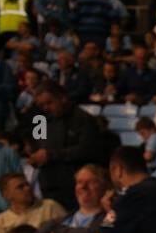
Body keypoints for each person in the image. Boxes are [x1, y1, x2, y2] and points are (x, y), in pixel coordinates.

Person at [25, 81, 108, 212]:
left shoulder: (84, 119)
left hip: (72, 188)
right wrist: (34, 157)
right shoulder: (40, 120)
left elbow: (87, 150)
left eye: (49, 103)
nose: (45, 108)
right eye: (42, 105)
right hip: (48, 186)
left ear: (63, 98)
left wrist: (51, 155)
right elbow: (37, 145)